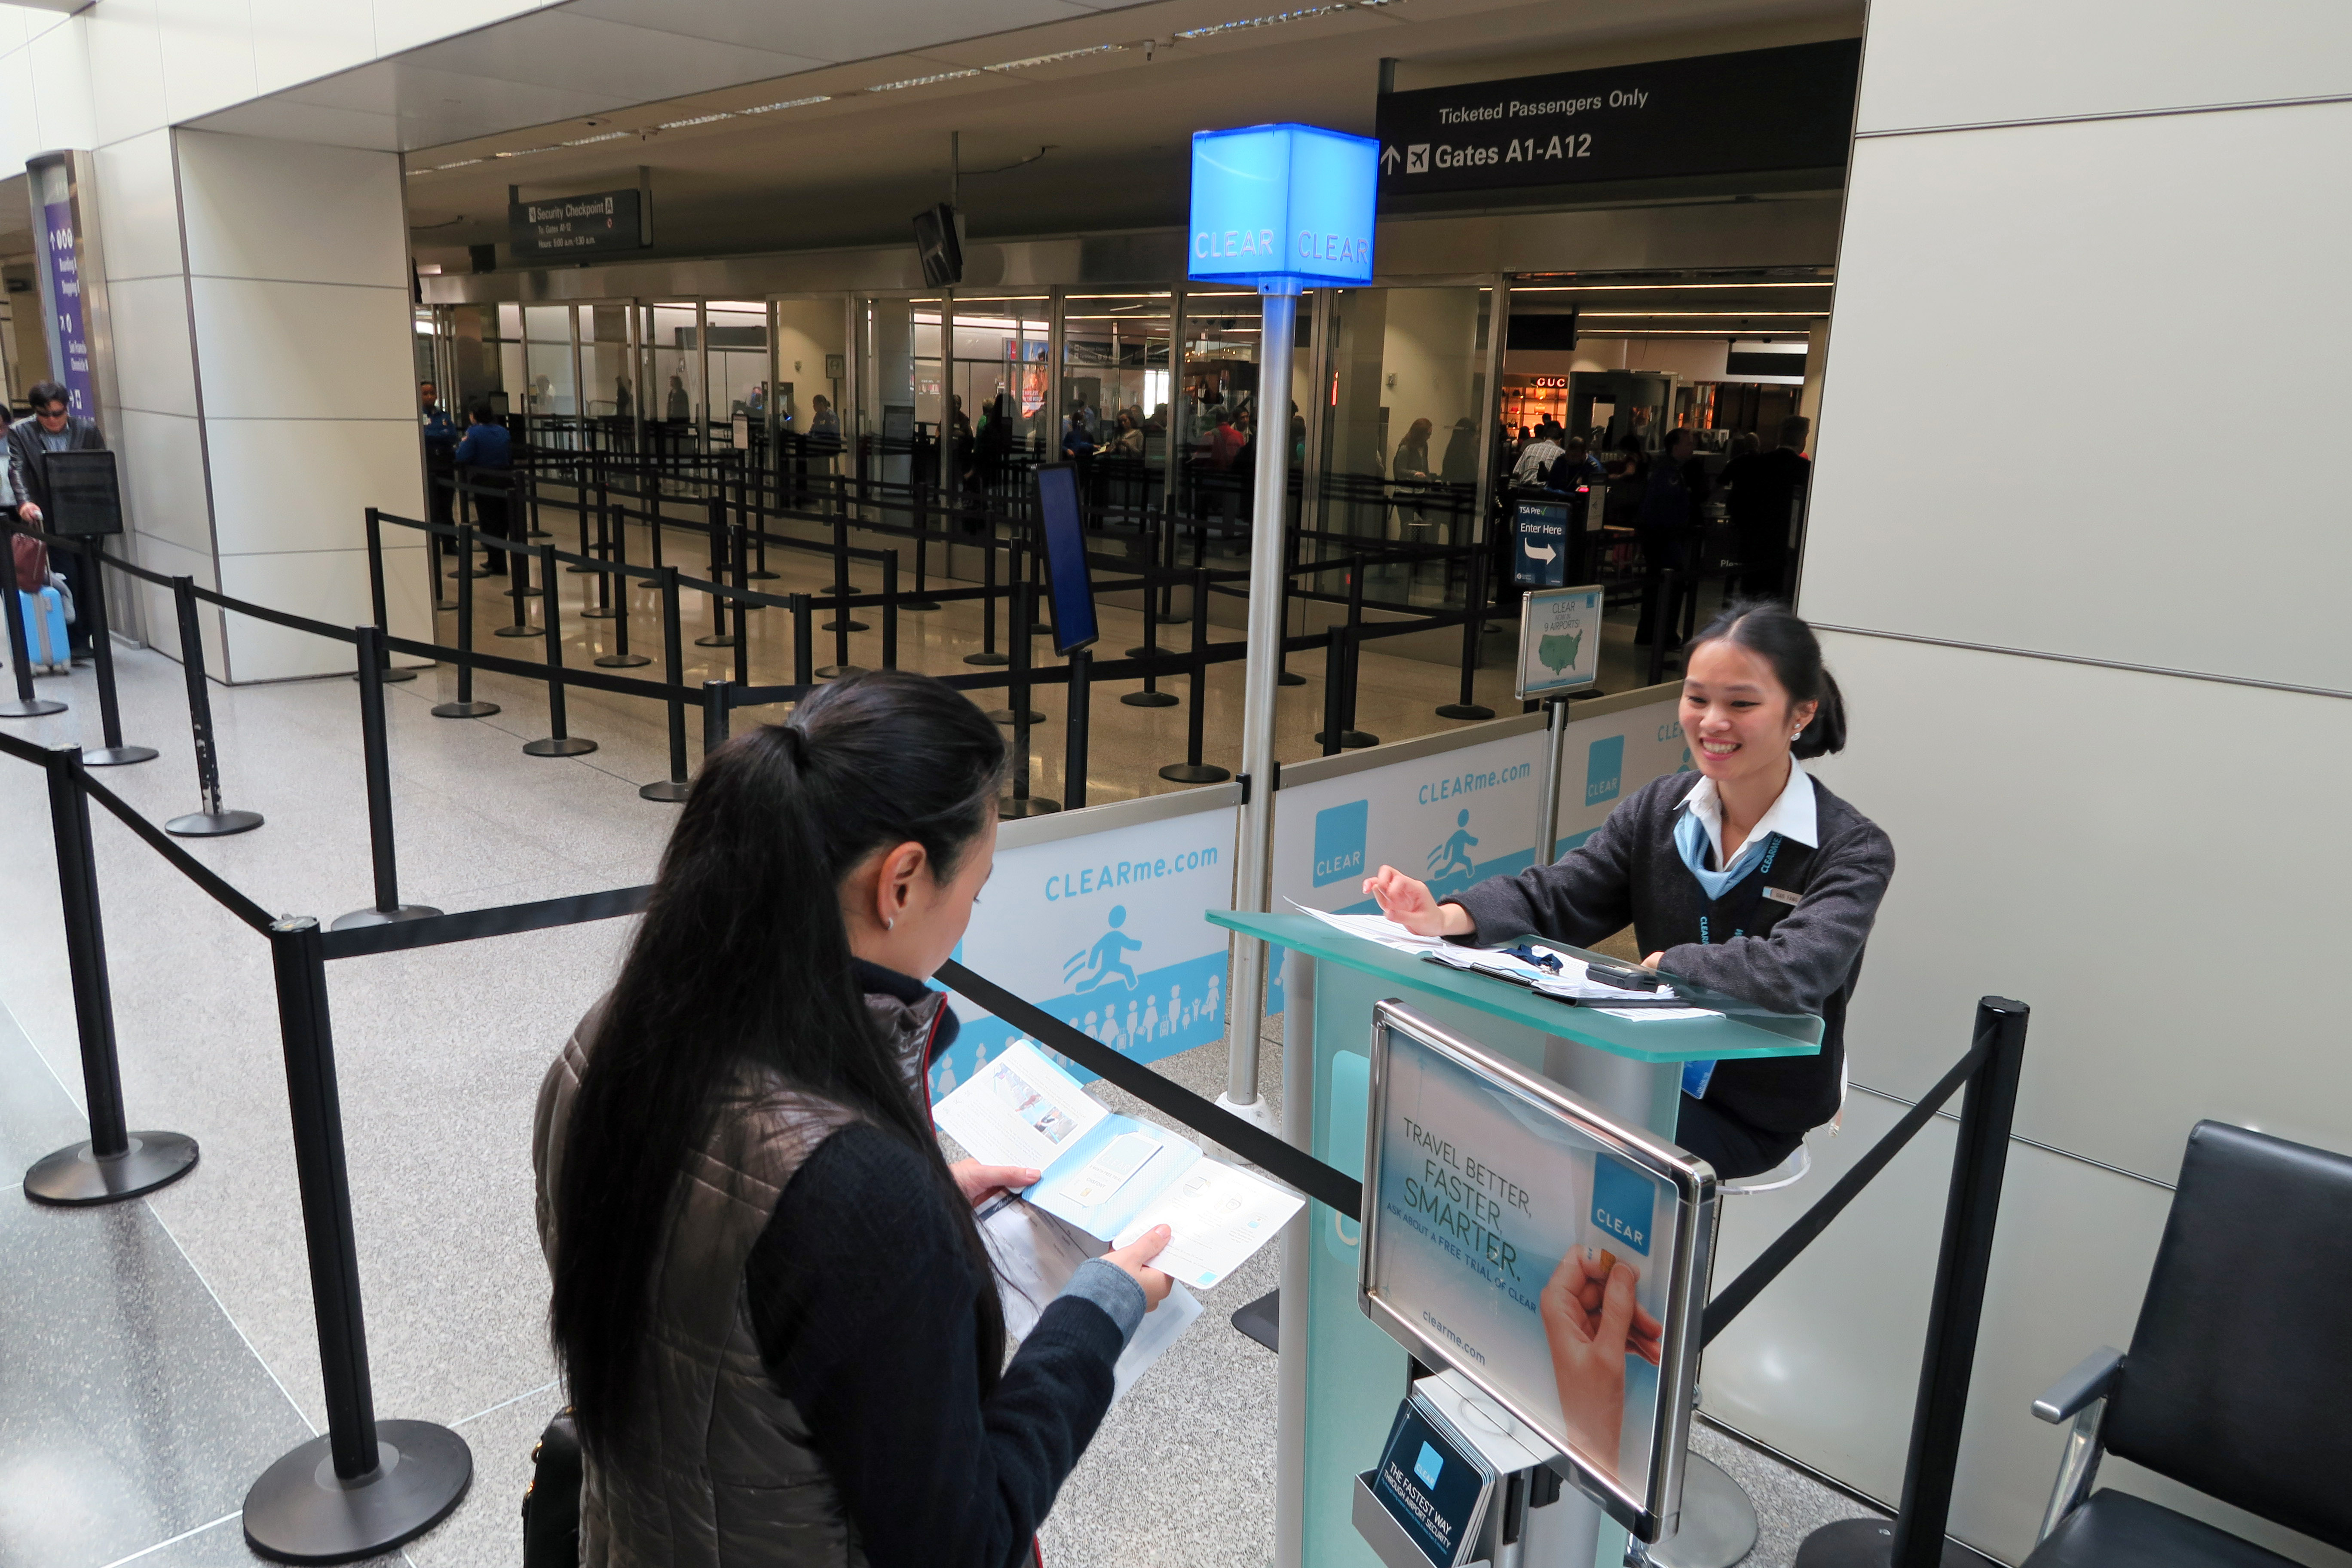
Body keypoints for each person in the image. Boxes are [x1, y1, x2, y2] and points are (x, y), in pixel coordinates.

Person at [536, 671, 1174, 1568]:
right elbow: (961, 1540)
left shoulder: (609, 1039)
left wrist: (920, 1210)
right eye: (975, 891)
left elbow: (708, 1268)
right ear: (902, 881)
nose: (969, 919)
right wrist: (1093, 1317)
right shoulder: (855, 1195)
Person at [1362, 601, 1893, 1179]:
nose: (1713, 721)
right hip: (1644, 1071)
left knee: (1540, 1138)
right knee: (1490, 1108)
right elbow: (1564, 893)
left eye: (1741, 703)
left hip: (1753, 1112)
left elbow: (1801, 970)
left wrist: (1674, 965)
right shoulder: (1659, 811)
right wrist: (1444, 915)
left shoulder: (1851, 848)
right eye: (1697, 698)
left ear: (1800, 714)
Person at [6, 380, 105, 660]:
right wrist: (25, 502)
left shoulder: (87, 430)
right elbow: (18, 469)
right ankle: (72, 639)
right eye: (44, 415)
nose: (52, 420)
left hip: (86, 514)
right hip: (49, 516)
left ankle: (86, 636)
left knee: (89, 578)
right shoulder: (21, 433)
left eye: (58, 413)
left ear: (67, 409)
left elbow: (101, 468)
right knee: (66, 576)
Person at [1721, 416, 1813, 601]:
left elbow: (1735, 503)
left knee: (1751, 599)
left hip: (1753, 547)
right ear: (1803, 438)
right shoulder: (1805, 470)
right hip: (1785, 552)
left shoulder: (1756, 464)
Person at [1632, 426, 1700, 646]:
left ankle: (1652, 633)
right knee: (1667, 588)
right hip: (1664, 541)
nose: (1693, 448)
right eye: (1689, 444)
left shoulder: (1671, 469)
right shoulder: (1667, 472)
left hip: (1662, 539)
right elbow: (1663, 510)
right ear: (1675, 446)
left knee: (1657, 588)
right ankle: (1663, 635)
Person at [452, 403, 513, 577]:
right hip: (505, 479)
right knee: (502, 523)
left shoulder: (474, 433)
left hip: (484, 480)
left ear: (474, 416)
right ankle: (496, 560)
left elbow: (462, 456)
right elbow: (509, 455)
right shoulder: (502, 431)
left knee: (489, 522)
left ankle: (497, 563)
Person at [1509, 420, 1565, 488]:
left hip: (1525, 491)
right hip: (1546, 493)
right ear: (1560, 441)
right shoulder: (1561, 453)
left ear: (1544, 438)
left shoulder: (1530, 448)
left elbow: (1516, 472)